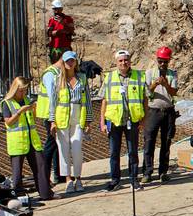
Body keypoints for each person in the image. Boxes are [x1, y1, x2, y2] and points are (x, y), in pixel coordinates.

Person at [99, 49, 147, 191]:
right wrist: (102, 122)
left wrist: (144, 120)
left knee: (133, 151)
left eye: (125, 60)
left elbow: (145, 99)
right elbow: (104, 101)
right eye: (120, 61)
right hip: (114, 120)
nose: (123, 63)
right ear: (116, 63)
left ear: (129, 61)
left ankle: (134, 180)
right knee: (114, 152)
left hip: (132, 120)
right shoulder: (109, 77)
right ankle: (115, 180)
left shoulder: (139, 76)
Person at [0, 76, 52, 200]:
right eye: (21, 90)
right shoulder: (7, 103)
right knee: (17, 172)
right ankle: (19, 197)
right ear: (15, 89)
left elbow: (32, 119)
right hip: (17, 142)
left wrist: (33, 109)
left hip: (32, 140)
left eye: (25, 90)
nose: (23, 93)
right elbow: (8, 122)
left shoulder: (27, 100)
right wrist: (19, 112)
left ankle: (46, 193)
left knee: (40, 166)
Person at [52, 52, 89, 193]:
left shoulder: (82, 78)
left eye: (72, 60)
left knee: (77, 148)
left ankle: (78, 178)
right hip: (62, 117)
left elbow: (88, 100)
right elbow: (53, 102)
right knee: (64, 149)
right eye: (67, 61)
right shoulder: (58, 79)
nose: (70, 63)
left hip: (78, 116)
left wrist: (88, 121)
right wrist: (52, 121)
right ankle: (68, 179)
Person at [143, 46, 178, 184]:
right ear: (157, 60)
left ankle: (163, 172)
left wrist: (166, 85)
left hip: (168, 111)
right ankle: (147, 172)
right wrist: (155, 84)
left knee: (166, 142)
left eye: (165, 61)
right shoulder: (150, 73)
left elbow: (174, 92)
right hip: (153, 111)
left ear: (169, 61)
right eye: (160, 61)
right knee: (149, 141)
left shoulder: (172, 74)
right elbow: (146, 93)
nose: (162, 64)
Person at [35, 55, 67, 185]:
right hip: (50, 114)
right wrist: (53, 117)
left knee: (56, 145)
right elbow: (52, 95)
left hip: (55, 113)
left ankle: (58, 175)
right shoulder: (50, 74)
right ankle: (44, 176)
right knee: (51, 144)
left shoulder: (58, 72)